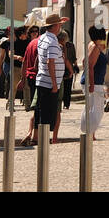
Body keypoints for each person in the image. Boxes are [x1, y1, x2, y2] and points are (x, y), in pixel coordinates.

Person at [34, 15, 67, 146]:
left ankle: (39, 138)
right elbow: (50, 62)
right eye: (59, 25)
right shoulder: (52, 42)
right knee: (47, 113)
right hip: (49, 83)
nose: (60, 27)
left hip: (42, 79)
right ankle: (43, 140)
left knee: (41, 111)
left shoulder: (42, 38)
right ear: (54, 27)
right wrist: (54, 84)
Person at [80, 24, 108, 139]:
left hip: (92, 81)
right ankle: (89, 132)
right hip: (94, 82)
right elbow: (90, 65)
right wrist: (91, 83)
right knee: (97, 109)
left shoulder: (92, 45)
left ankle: (91, 132)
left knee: (91, 107)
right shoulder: (95, 48)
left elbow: (84, 61)